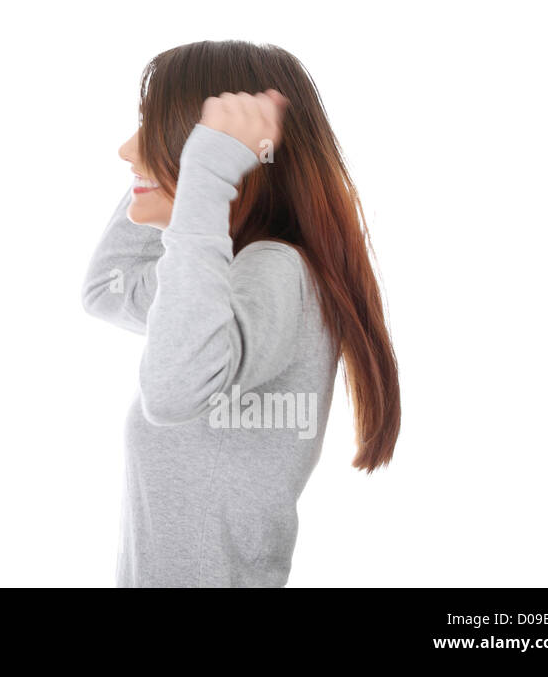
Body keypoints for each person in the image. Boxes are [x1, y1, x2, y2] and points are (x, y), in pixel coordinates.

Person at [81, 41, 400, 587]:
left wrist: (203, 176)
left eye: (155, 131)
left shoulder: (274, 273)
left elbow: (174, 390)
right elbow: (108, 289)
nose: (125, 149)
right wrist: (175, 174)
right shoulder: (217, 282)